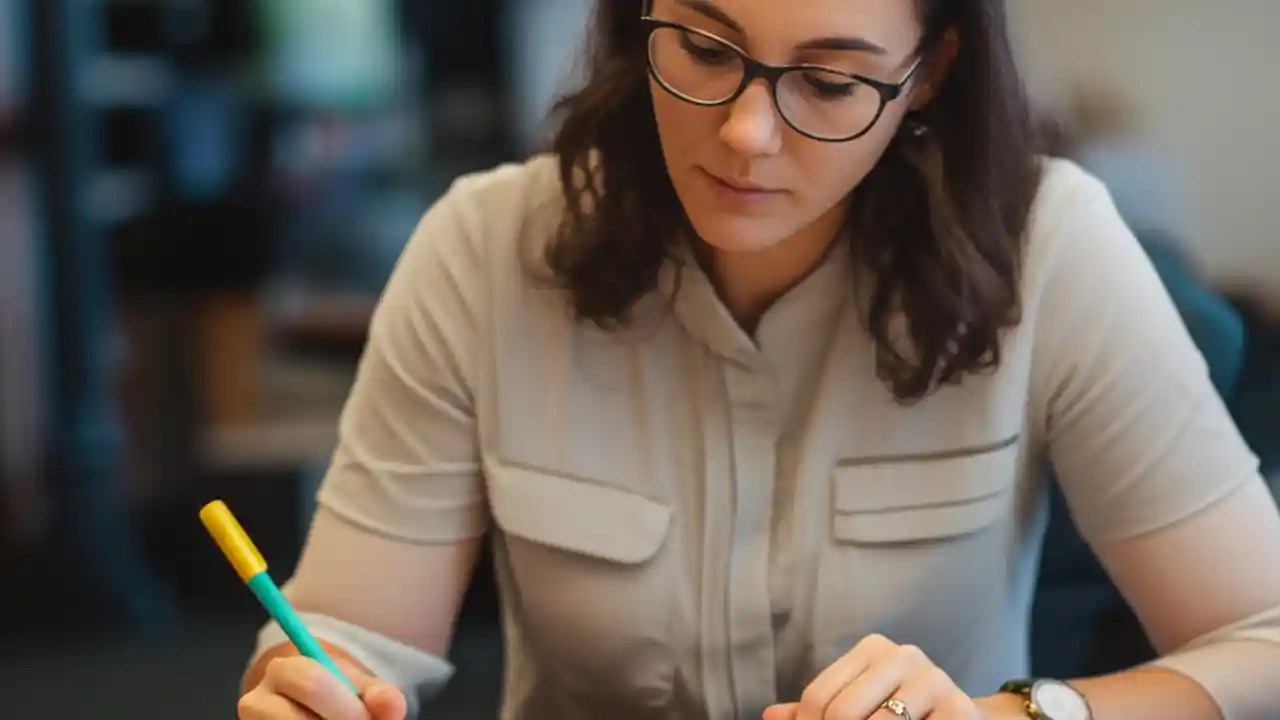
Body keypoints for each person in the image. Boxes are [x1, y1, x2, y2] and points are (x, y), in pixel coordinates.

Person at [236, 1, 1280, 719]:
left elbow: (1263, 636)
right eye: (701, 48)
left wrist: (1021, 712)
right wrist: (309, 682)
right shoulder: (483, 250)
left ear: (929, 74)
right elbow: (347, 637)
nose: (743, 134)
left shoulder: (1047, 248)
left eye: (828, 82)